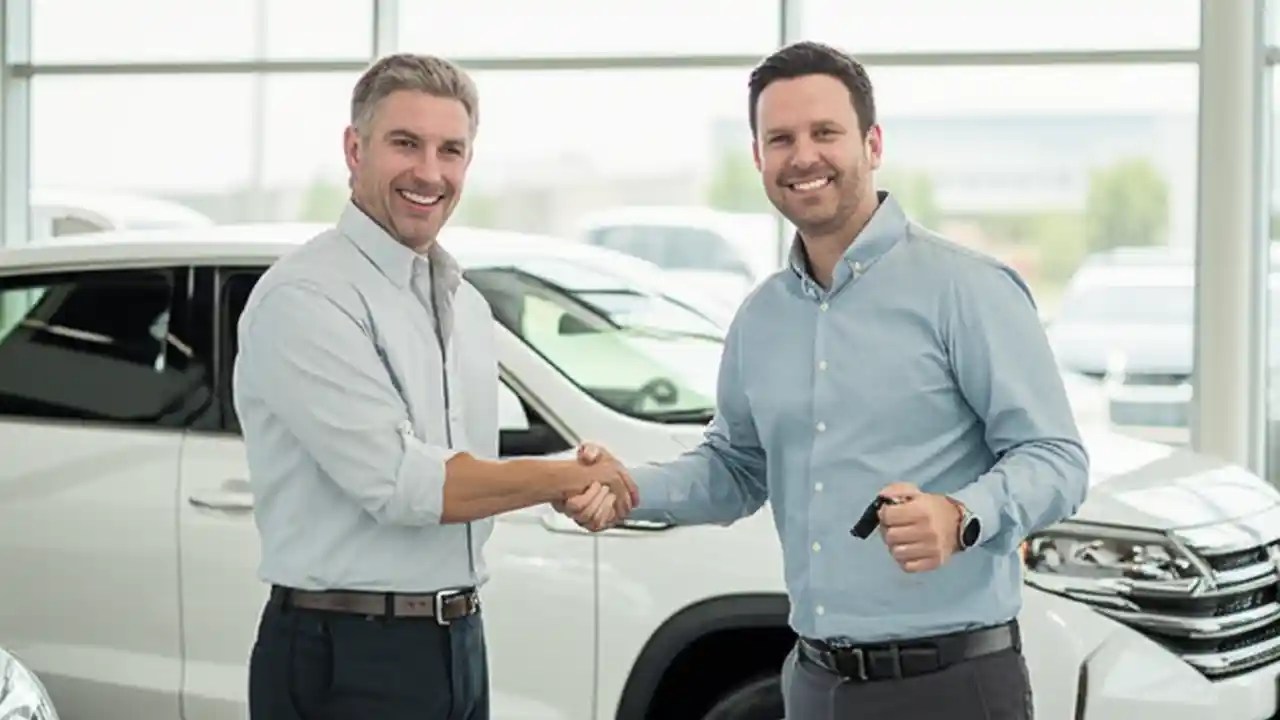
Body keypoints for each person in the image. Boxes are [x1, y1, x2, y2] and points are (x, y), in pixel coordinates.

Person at [566, 41, 1088, 719]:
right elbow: (735, 469)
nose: (803, 155)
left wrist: (961, 516)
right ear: (758, 158)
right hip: (813, 684)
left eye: (825, 133)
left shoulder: (967, 290)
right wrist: (627, 489)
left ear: (872, 143)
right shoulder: (761, 317)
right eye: (780, 138)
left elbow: (1058, 460)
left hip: (952, 686)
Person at [233, 53, 633, 720]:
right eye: (405, 144)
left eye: (451, 150)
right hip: (346, 656)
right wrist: (557, 479)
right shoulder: (306, 298)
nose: (430, 172)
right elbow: (402, 483)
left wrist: (563, 490)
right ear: (353, 149)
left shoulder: (465, 305)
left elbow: (463, 473)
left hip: (456, 642)